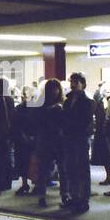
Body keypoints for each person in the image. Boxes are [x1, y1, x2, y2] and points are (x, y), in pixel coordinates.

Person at [61, 73, 95, 213]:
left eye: (76, 82)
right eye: (72, 82)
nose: (73, 85)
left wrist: (69, 126)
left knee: (82, 169)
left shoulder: (87, 101)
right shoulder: (68, 100)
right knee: (70, 169)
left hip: (80, 139)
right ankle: (75, 197)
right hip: (69, 138)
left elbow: (85, 122)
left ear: (83, 84)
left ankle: (83, 200)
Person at [33, 79, 65, 207]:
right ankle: (41, 195)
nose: (54, 91)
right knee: (43, 169)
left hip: (59, 139)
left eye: (56, 88)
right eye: (52, 89)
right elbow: (36, 120)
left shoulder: (63, 104)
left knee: (63, 169)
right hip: (45, 139)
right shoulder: (41, 105)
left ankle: (65, 194)